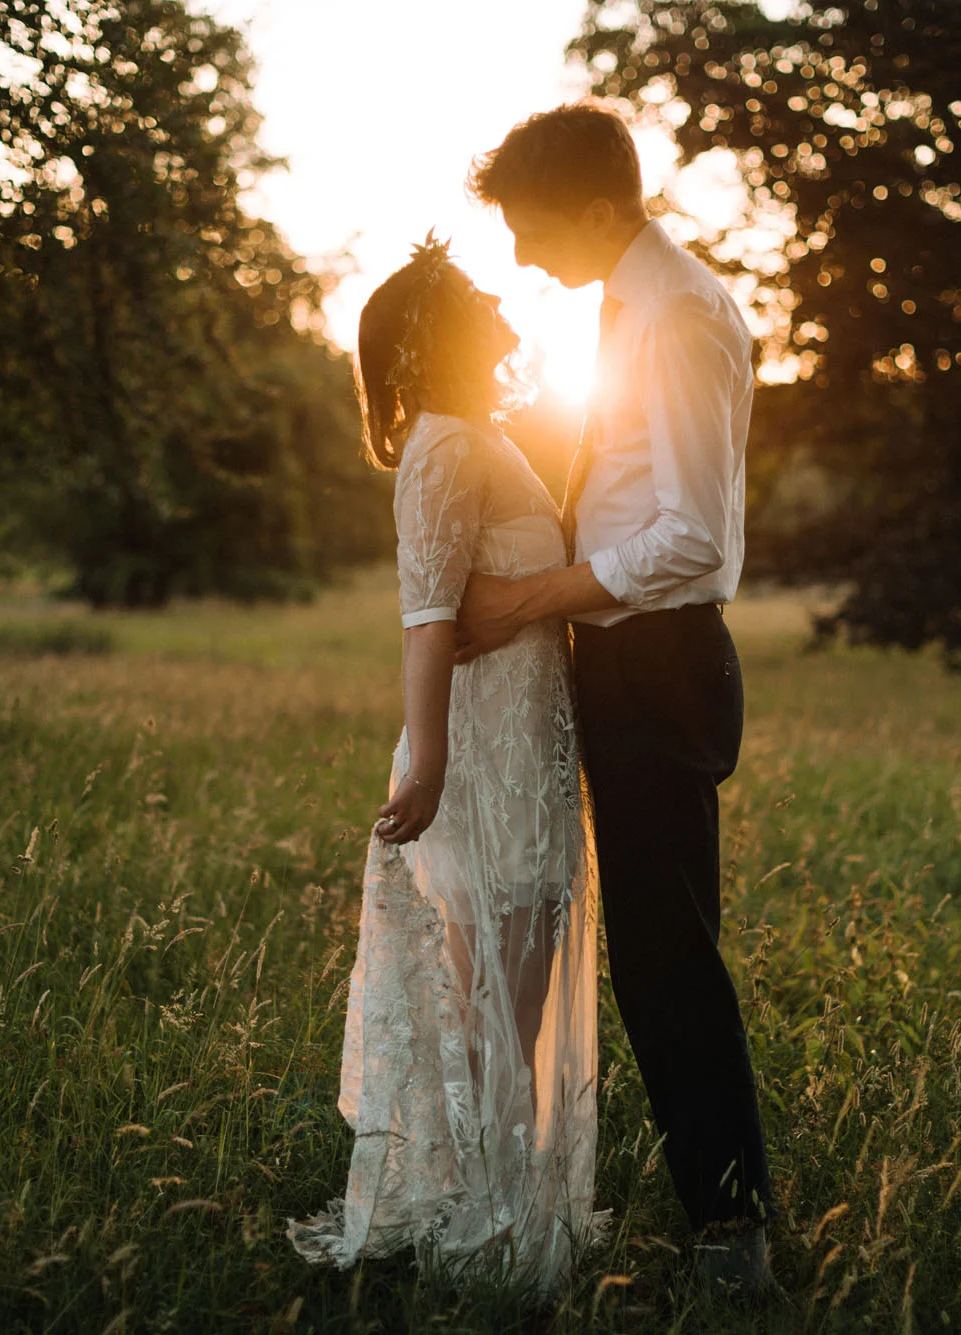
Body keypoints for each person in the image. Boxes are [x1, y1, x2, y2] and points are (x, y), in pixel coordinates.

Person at [457, 103, 777, 1299]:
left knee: (666, 957)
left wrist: (535, 594)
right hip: (623, 661)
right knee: (648, 953)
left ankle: (732, 1234)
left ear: (599, 207)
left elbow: (694, 534)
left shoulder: (681, 313)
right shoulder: (623, 306)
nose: (524, 257)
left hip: (663, 662)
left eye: (534, 229)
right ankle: (711, 1212)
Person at [286, 234, 605, 1297]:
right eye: (471, 293)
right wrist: (426, 770)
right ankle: (490, 1235)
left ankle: (497, 1212)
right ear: (434, 332)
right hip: (481, 756)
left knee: (506, 988)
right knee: (493, 996)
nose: (495, 297)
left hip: (526, 747)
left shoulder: (477, 436)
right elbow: (426, 619)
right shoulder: (442, 445)